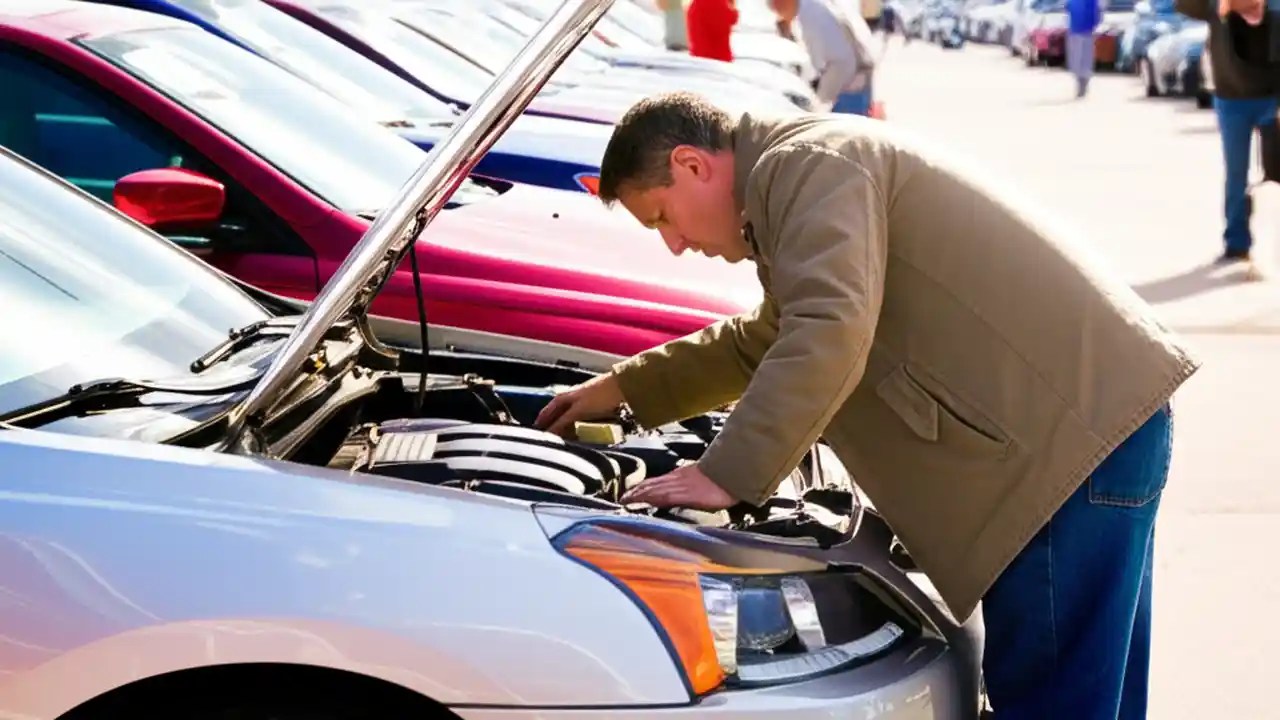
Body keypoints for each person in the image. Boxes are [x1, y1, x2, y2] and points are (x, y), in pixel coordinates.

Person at [534, 91, 1200, 718]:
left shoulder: (805, 168)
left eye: (661, 217)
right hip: (1087, 437)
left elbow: (828, 326)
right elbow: (769, 339)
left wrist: (726, 475)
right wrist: (623, 388)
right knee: (1087, 696)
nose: (674, 244)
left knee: (1055, 701)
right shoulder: (797, 172)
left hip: (1064, 457)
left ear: (692, 164)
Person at [1177, 0, 1279, 264]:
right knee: (1236, 173)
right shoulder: (1216, 8)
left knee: (1277, 170)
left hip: (1273, 101)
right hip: (1232, 101)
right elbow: (1184, 5)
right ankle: (1237, 241)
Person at [768, 0, 877, 115]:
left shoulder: (811, 14)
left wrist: (819, 104)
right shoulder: (808, 9)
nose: (771, 7)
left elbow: (842, 62)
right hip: (853, 78)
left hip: (850, 87)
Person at [1066, 0, 1104, 97]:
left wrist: (1096, 22)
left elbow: (1098, 11)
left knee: (1083, 57)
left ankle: (1083, 82)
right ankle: (1081, 82)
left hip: (1085, 30)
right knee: (1080, 57)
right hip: (1078, 30)